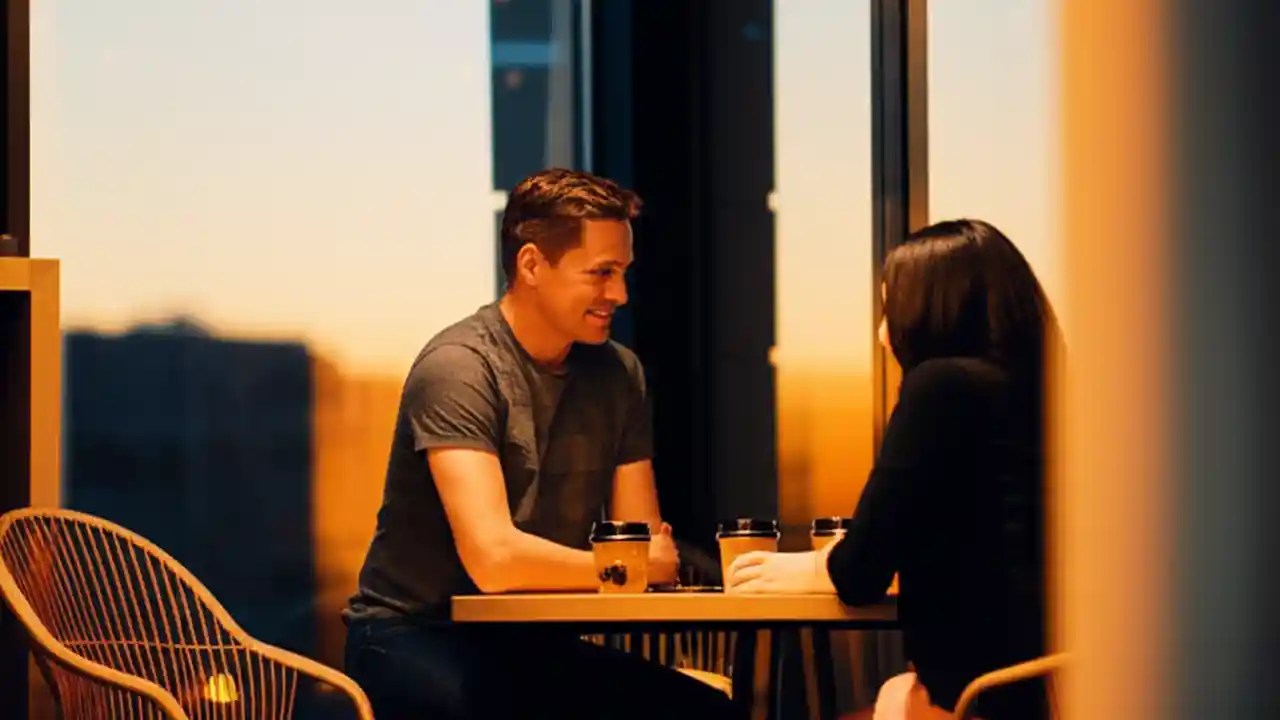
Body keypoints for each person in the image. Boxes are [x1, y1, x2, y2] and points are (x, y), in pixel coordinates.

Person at [341, 168, 740, 719]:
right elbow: (495, 561)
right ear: (531, 264)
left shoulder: (618, 373)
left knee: (706, 713)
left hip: (529, 641)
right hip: (414, 633)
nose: (619, 294)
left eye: (623, 272)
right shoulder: (460, 368)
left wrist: (636, 562)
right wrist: (631, 564)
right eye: (600, 273)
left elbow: (643, 544)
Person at [726, 219, 1059, 720]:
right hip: (1054, 690)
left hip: (974, 699)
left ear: (932, 311)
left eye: (891, 311)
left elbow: (862, 571)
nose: (884, 335)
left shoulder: (941, 387)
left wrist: (803, 567)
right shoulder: (1046, 391)